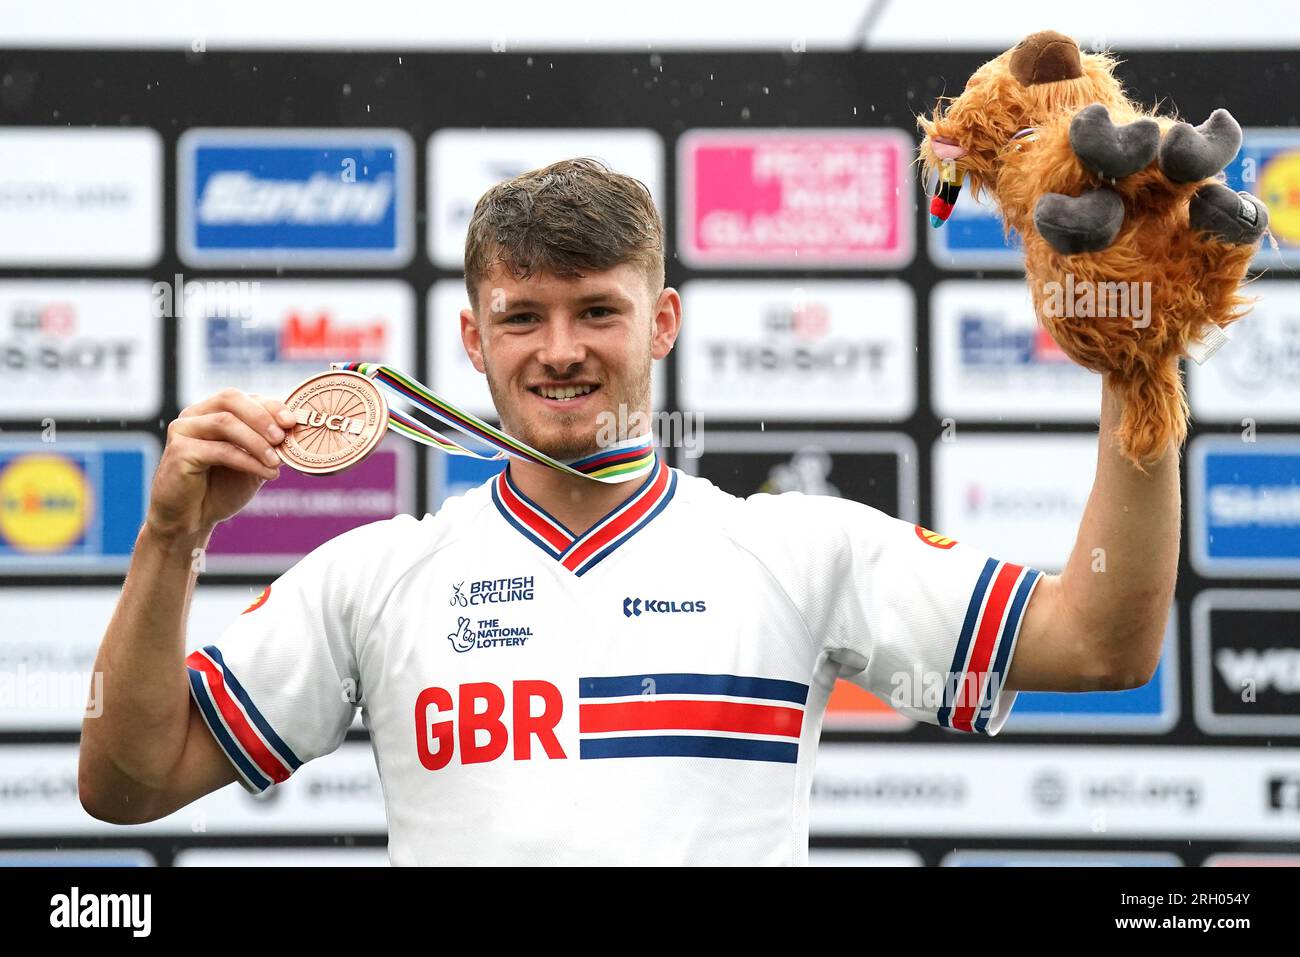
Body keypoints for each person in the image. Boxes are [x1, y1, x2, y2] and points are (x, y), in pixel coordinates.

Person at [78, 157, 1174, 865]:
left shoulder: (794, 546)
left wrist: (1141, 372)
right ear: (472, 339)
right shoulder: (378, 572)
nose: (560, 351)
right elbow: (128, 783)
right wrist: (174, 537)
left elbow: (1100, 643)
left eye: (598, 310)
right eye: (522, 318)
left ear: (661, 323)